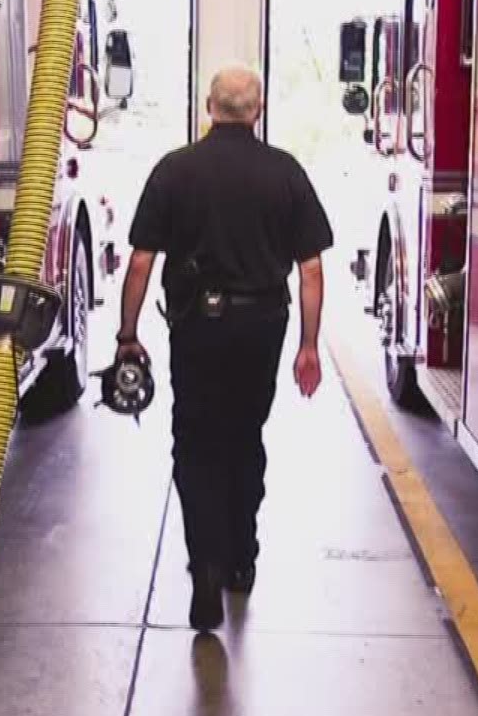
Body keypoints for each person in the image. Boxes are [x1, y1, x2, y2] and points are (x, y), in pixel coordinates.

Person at [114, 65, 334, 632]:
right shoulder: (285, 173)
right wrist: (308, 346)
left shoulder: (174, 170)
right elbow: (311, 269)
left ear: (208, 107)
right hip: (262, 326)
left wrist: (128, 336)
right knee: (244, 437)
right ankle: (241, 559)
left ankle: (206, 567)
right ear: (257, 111)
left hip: (197, 327)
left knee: (196, 444)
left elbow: (141, 262)